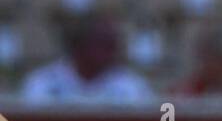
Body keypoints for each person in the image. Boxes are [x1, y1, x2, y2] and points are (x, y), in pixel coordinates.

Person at [21, 16, 152, 106]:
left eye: (113, 45)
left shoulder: (130, 84)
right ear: (78, 46)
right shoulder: (43, 82)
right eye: (103, 44)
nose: (112, 52)